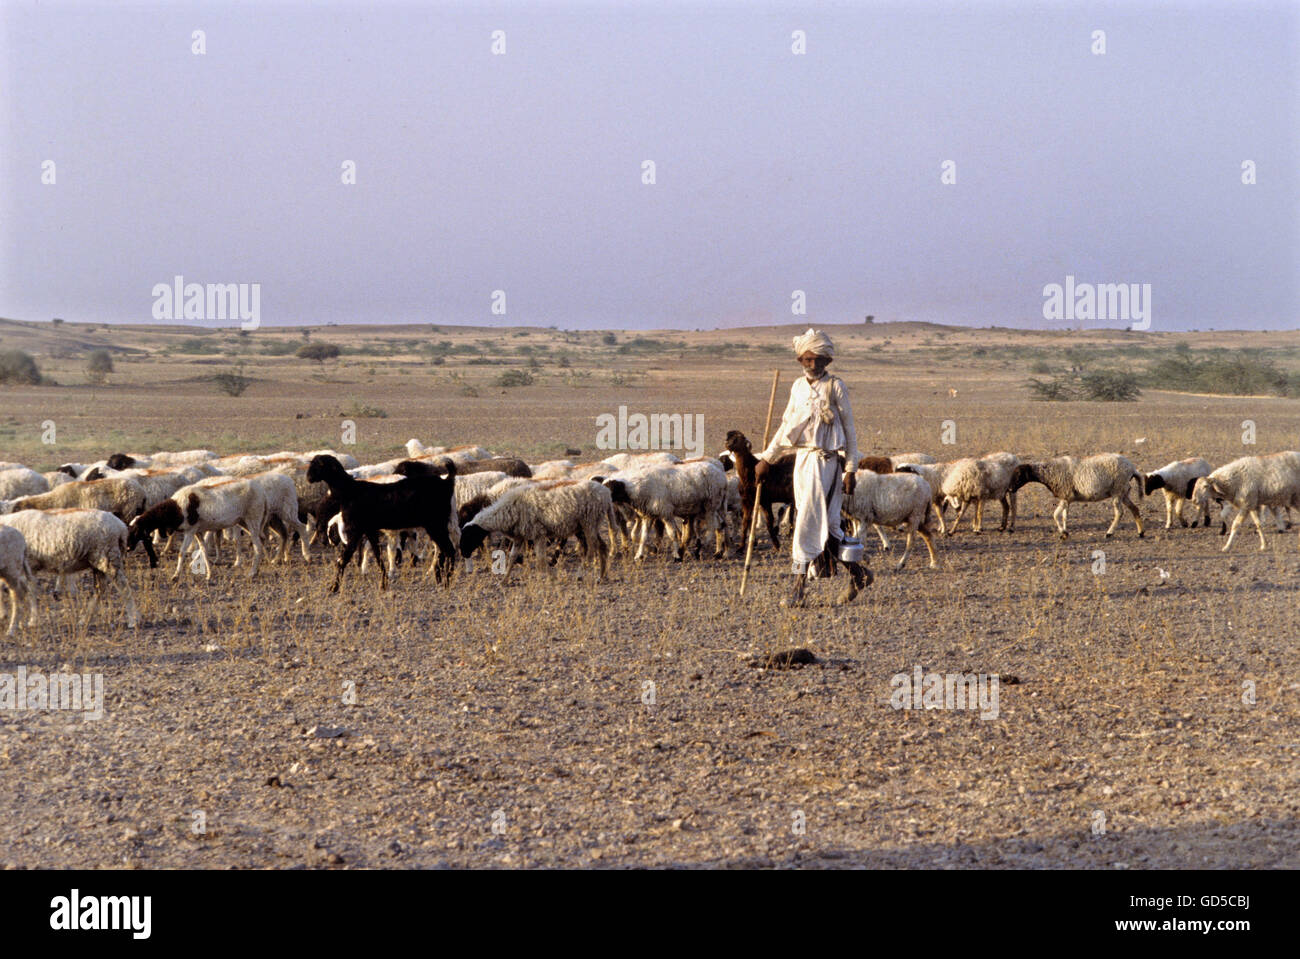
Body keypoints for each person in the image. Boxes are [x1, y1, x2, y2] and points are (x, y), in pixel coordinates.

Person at [753, 328, 872, 607]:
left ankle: (798, 588)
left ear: (826, 362)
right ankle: (859, 573)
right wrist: (767, 459)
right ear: (800, 361)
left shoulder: (836, 386)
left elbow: (850, 431)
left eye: (817, 360)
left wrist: (850, 469)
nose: (812, 364)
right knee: (825, 525)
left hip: (827, 463)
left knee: (808, 522)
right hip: (803, 462)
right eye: (807, 359)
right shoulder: (796, 387)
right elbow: (786, 427)